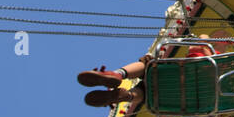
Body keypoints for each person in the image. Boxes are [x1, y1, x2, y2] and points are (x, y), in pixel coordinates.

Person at [77, 35, 214, 110]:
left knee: (148, 64)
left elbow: (203, 37)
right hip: (192, 100)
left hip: (175, 82)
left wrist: (207, 50)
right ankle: (127, 95)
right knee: (148, 94)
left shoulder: (204, 59)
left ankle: (119, 75)